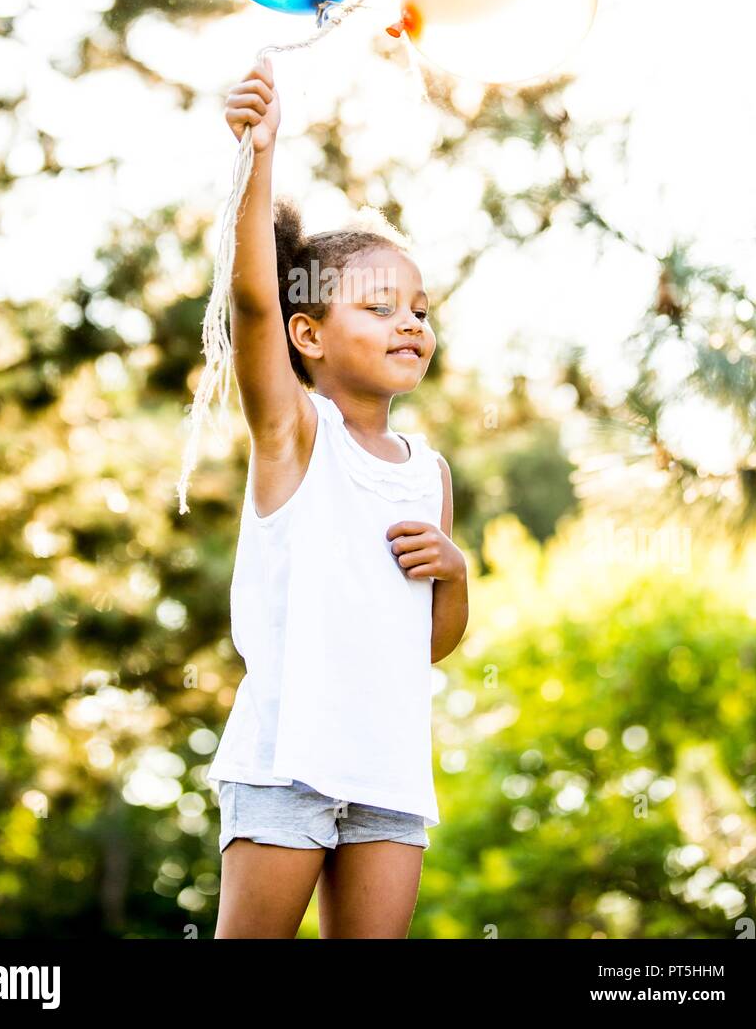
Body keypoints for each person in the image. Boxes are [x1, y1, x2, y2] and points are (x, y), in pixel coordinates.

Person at [207, 58, 468, 939]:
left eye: (420, 310)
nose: (411, 323)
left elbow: (421, 641)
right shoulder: (295, 433)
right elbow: (250, 303)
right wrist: (259, 156)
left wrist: (457, 576)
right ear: (308, 333)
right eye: (382, 306)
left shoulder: (428, 473)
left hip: (389, 781)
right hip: (286, 768)